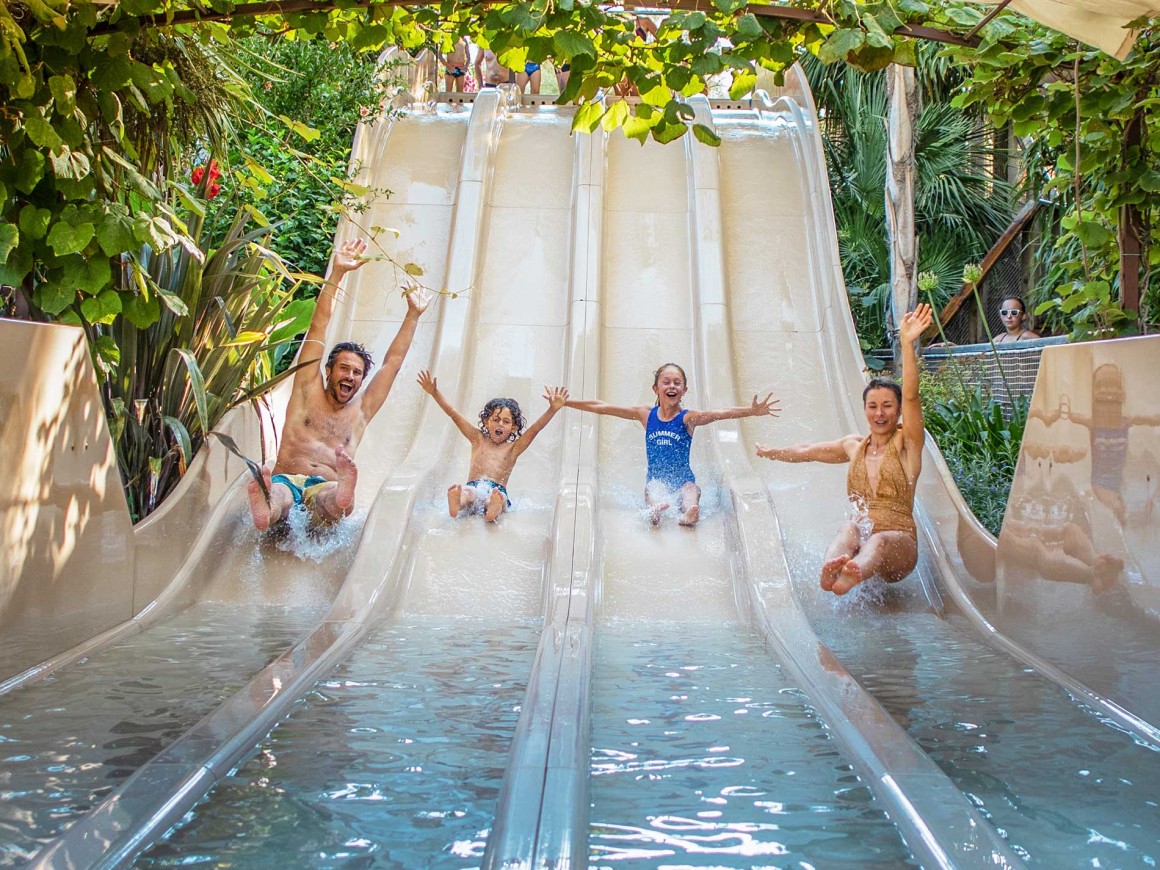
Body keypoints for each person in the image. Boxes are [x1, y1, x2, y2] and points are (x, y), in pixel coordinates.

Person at [247, 238, 432, 532]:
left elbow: (392, 363)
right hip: (288, 477)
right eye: (344, 368)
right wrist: (337, 274)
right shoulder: (307, 389)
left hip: (324, 487)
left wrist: (413, 315)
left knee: (330, 502)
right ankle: (266, 508)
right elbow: (318, 326)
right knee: (280, 495)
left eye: (357, 373)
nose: (350, 376)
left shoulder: (361, 411)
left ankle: (342, 493)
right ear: (328, 370)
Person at [755, 303, 934, 594]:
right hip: (862, 541)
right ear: (864, 410)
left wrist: (906, 342)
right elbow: (808, 450)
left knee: (877, 540)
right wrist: (771, 451)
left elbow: (912, 397)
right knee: (849, 529)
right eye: (873, 406)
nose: (880, 413)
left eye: (888, 406)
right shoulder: (853, 446)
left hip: (898, 546)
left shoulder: (907, 445)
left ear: (898, 411)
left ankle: (853, 572)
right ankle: (831, 569)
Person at [566, 363, 780, 527]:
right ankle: (655, 509)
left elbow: (719, 413)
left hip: (682, 481)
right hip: (657, 482)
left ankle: (688, 513)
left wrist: (751, 411)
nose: (672, 386)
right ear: (655, 388)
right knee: (651, 490)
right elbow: (602, 407)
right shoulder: (646, 415)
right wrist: (566, 403)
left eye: (677, 383)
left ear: (684, 389)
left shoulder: (688, 419)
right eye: (666, 382)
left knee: (691, 490)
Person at [417, 370, 569, 522]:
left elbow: (535, 429)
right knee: (468, 492)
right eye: (495, 419)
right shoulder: (477, 439)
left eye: (506, 421)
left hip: (497, 490)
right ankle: (458, 503)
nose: (500, 424)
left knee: (498, 498)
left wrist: (552, 409)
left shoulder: (513, 448)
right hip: (474, 487)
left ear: (514, 427)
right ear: (486, 422)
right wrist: (434, 392)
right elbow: (453, 413)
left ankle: (492, 510)